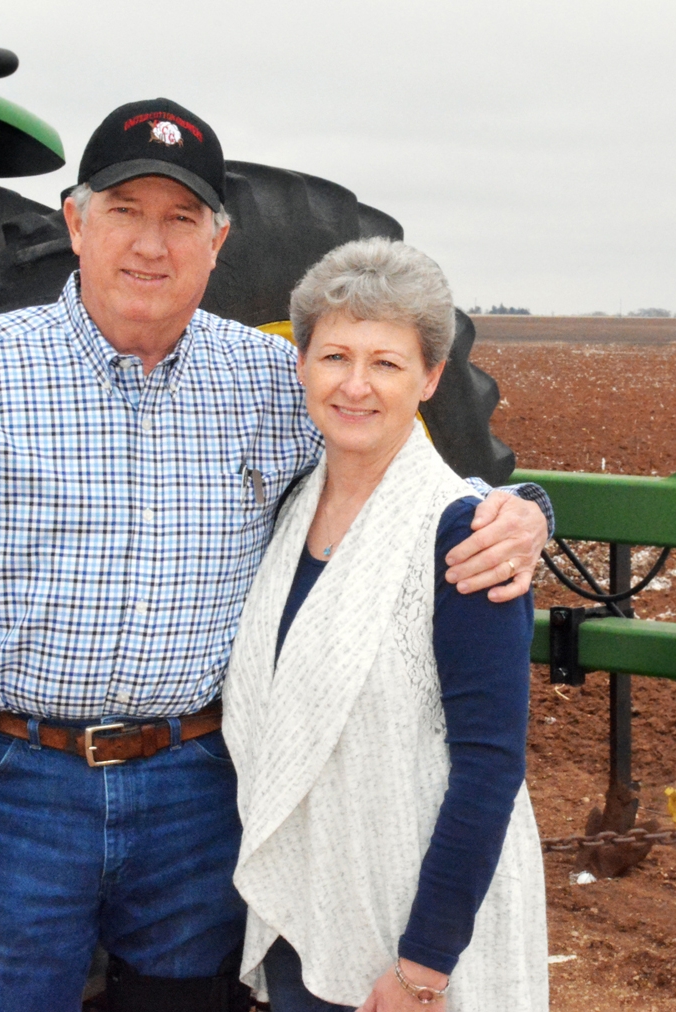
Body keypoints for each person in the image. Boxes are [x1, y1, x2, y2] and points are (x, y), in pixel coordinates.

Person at [0, 98, 551, 1012]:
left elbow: (391, 461)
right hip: (19, 791)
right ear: (75, 222)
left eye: (180, 218)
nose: (150, 244)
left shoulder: (270, 379)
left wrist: (519, 511)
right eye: (124, 211)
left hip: (199, 796)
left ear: (219, 241)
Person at [222, 238, 548, 1012]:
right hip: (310, 920)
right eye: (335, 356)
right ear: (302, 364)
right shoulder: (289, 510)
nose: (356, 386)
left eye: (387, 363)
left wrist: (421, 966)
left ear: (430, 378)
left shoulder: (464, 536)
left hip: (417, 945)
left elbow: (488, 768)